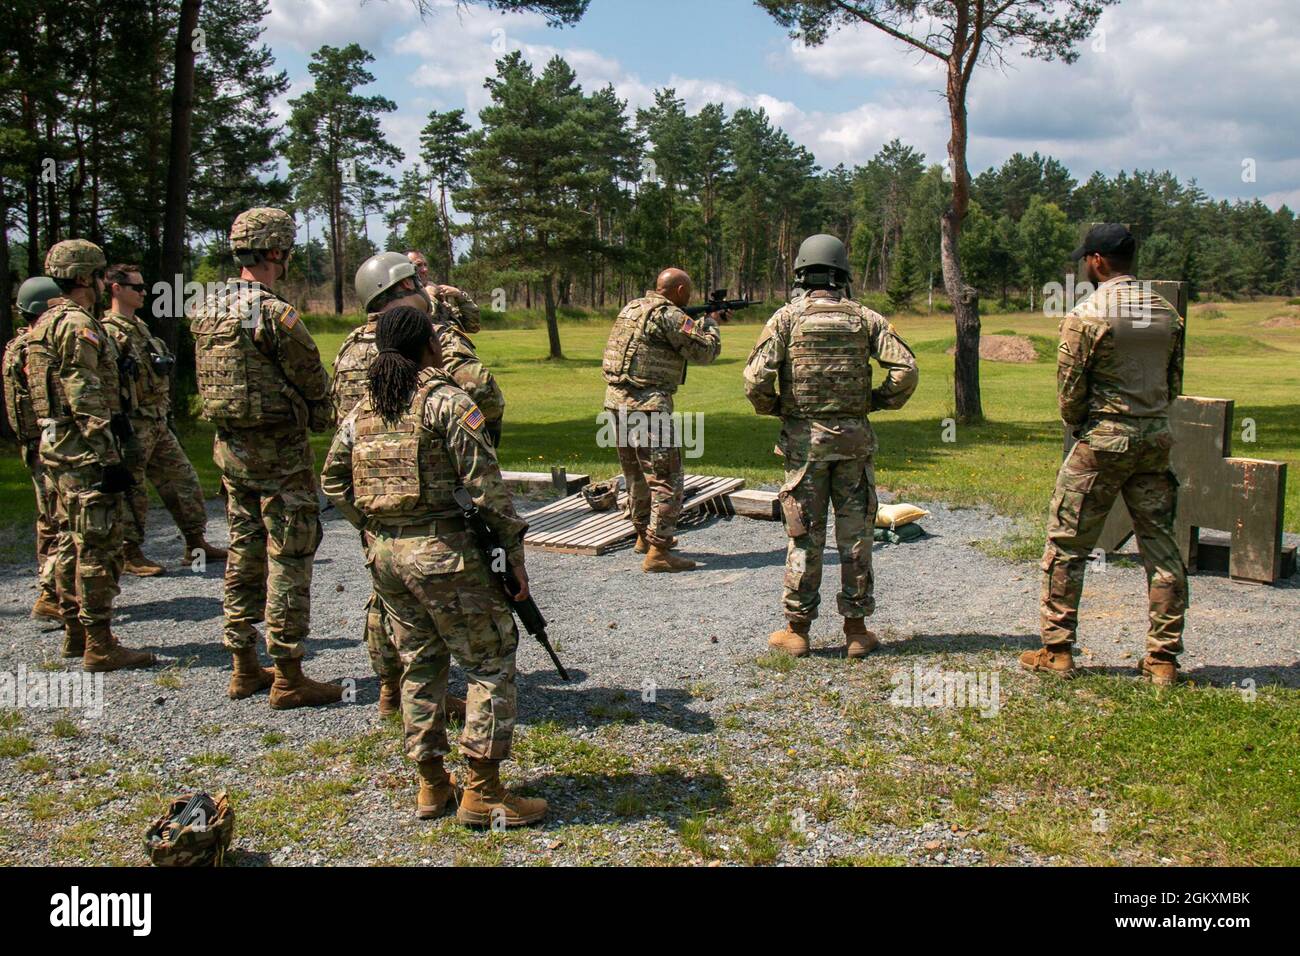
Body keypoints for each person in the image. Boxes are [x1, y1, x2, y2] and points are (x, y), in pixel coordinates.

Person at [321, 306, 545, 827]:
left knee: (420, 664)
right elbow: (487, 489)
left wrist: (375, 525)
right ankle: (483, 792)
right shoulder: (446, 402)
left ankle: (431, 784)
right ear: (429, 344)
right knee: (490, 663)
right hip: (446, 556)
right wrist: (511, 556)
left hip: (387, 560)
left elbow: (333, 481)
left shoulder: (364, 412)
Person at [1023, 223, 1189, 686]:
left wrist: (1082, 424)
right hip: (1154, 441)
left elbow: (1070, 393)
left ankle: (1057, 651)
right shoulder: (1166, 313)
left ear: (1097, 260)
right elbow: (1172, 383)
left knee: (1067, 544)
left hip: (1103, 440)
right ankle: (1162, 660)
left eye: (1086, 259)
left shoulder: (1088, 313)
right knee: (1160, 547)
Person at [190, 207, 339, 708]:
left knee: (243, 551)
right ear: (277, 252)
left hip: (230, 451)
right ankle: (290, 675)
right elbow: (313, 381)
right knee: (290, 555)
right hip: (279, 455)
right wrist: (323, 416)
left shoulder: (206, 309)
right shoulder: (273, 313)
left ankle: (244, 664)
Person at [743, 234, 918, 659]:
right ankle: (856, 631)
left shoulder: (785, 319)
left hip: (805, 448)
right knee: (856, 538)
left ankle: (797, 631)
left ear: (801, 273)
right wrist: (873, 402)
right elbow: (906, 370)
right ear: (842, 274)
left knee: (804, 535)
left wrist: (781, 410)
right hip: (854, 446)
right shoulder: (866, 319)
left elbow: (754, 381)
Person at [332, 252, 467, 722]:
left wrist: (360, 513)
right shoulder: (419, 339)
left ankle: (391, 689)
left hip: (368, 492)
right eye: (415, 284)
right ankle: (427, 692)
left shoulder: (348, 348)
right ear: (396, 294)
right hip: (424, 489)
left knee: (384, 593)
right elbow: (480, 394)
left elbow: (339, 430)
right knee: (435, 599)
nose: (424, 291)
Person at [24, 240, 156, 671]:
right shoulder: (78, 324)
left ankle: (75, 633)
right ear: (85, 278)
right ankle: (99, 643)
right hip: (86, 453)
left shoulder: (44, 322)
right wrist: (109, 456)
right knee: (98, 546)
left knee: (68, 539)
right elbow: (83, 393)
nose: (104, 283)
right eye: (100, 275)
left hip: (57, 447)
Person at [100, 264, 224, 577]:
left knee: (183, 480)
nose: (143, 293)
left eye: (144, 288)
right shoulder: (107, 332)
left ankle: (195, 546)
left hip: (156, 420)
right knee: (133, 490)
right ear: (115, 289)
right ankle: (129, 551)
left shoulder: (139, 327)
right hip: (133, 423)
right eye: (136, 288)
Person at [602, 268, 722, 572]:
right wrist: (712, 324)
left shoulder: (633, 307)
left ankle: (643, 536)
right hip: (648, 406)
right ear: (680, 290)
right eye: (689, 290)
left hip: (615, 403)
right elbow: (705, 353)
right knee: (667, 478)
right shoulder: (669, 315)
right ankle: (659, 551)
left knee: (636, 476)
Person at [3, 276, 69, 622]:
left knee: (48, 520)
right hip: (48, 445)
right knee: (63, 521)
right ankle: (50, 594)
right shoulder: (35, 347)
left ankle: (54, 592)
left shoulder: (17, 346)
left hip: (34, 444)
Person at [406, 250, 503, 446]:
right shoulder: (409, 298)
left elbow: (472, 325)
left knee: (483, 406)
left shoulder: (437, 296)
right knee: (476, 396)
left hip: (458, 358)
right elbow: (417, 321)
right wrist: (429, 297)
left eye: (425, 264)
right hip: (435, 365)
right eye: (418, 266)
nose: (424, 270)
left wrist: (460, 296)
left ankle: (483, 447)